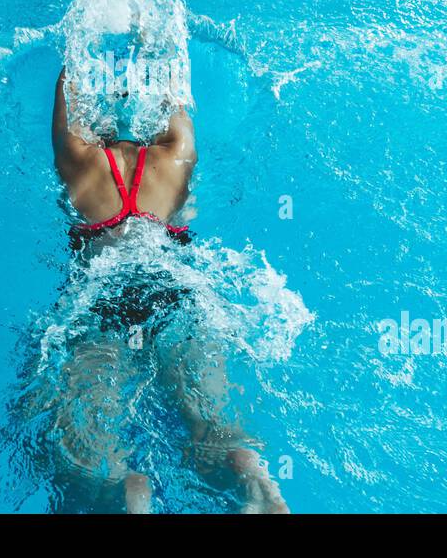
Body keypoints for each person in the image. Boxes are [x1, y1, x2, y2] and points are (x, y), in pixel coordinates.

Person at [46, 69, 289, 513]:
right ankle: (251, 475)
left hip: (104, 298)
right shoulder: (178, 155)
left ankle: (123, 489)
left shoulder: (77, 160)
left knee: (80, 448)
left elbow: (70, 86)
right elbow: (172, 88)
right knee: (211, 426)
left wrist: (80, 41)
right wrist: (150, 33)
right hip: (176, 291)